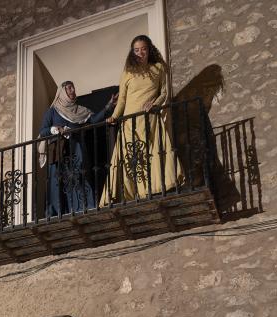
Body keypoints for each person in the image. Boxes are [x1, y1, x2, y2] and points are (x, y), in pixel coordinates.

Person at [100, 35, 181, 206]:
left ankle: (152, 190)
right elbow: (121, 99)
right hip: (130, 123)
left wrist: (155, 103)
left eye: (143, 48)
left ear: (149, 49)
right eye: (136, 50)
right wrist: (114, 116)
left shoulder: (159, 68)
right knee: (131, 158)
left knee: (151, 153)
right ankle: (130, 194)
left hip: (150, 119)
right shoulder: (127, 72)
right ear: (132, 52)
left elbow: (164, 93)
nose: (140, 53)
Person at [39, 81, 117, 215]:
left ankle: (82, 208)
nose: (72, 90)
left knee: (80, 178)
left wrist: (109, 106)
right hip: (59, 151)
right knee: (59, 181)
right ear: (62, 92)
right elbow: (43, 131)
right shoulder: (52, 112)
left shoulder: (80, 110)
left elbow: (93, 120)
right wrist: (55, 129)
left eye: (73, 88)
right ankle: (58, 212)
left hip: (77, 149)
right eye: (69, 88)